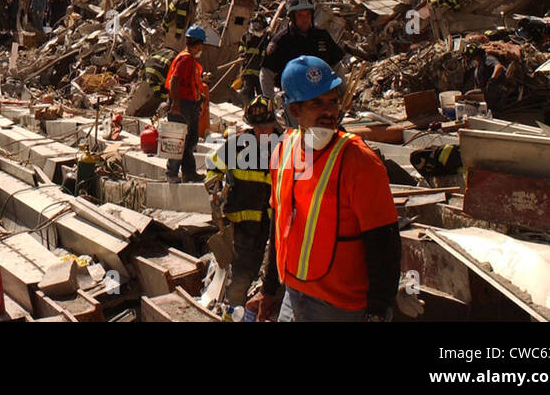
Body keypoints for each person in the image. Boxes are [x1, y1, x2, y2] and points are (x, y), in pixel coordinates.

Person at [256, 56, 400, 322]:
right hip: (293, 294)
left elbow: (385, 243)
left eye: (332, 101)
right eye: (316, 103)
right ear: (294, 109)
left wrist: (379, 311)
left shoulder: (359, 162)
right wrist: (269, 288)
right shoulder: (283, 151)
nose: (329, 112)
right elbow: (279, 224)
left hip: (339, 307)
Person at [205, 96, 280, 307]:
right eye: (257, 127)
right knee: (241, 273)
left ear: (274, 123)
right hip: (243, 220)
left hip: (274, 221)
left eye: (266, 126)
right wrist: (213, 183)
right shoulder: (238, 144)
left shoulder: (285, 145)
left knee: (275, 272)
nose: (262, 131)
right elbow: (213, 164)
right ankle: (233, 311)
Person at [259, 0, 344, 127]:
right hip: (295, 104)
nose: (305, 19)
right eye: (300, 15)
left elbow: (336, 66)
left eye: (308, 14)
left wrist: (342, 94)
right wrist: (271, 104)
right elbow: (266, 74)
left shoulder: (322, 37)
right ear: (292, 17)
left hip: (322, 100)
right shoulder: (281, 41)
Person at [162, 25, 209, 182]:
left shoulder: (190, 60)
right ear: (198, 43)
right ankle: (172, 173)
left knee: (190, 140)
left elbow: (190, 82)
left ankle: (189, 172)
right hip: (181, 105)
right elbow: (175, 81)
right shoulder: (185, 59)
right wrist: (175, 104)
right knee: (177, 141)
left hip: (190, 105)